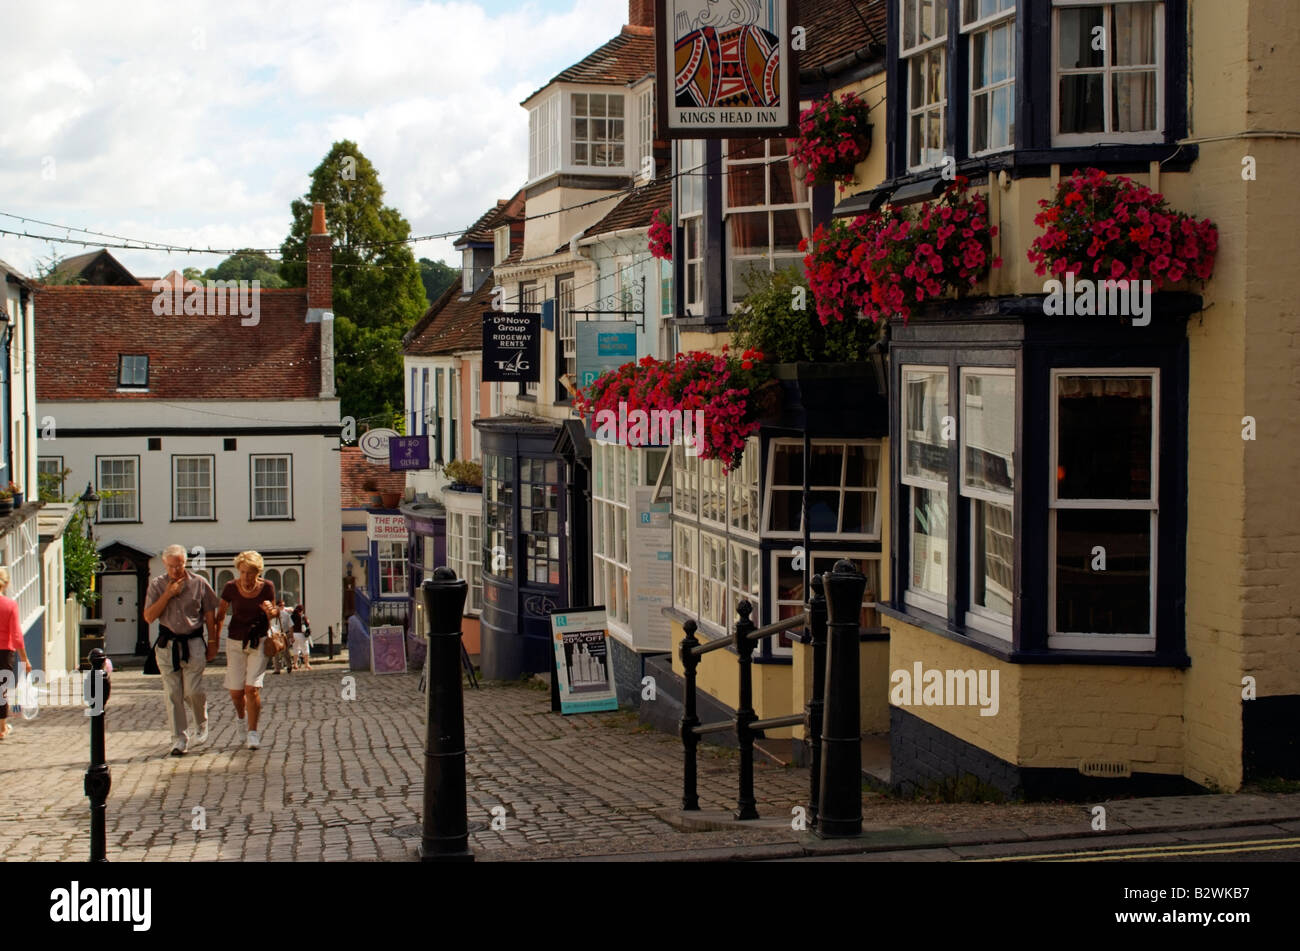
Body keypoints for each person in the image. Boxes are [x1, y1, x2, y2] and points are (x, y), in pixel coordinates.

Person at [142, 545, 220, 756]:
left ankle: (201, 721)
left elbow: (210, 615)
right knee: (173, 694)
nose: (176, 570)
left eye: (180, 565)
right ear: (164, 564)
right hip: (167, 645)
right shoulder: (157, 585)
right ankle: (179, 739)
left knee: (193, 691)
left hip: (193, 642)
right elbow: (149, 617)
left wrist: (213, 642)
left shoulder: (199, 583)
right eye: (171, 566)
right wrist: (167, 595)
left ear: (186, 562)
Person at [214, 551, 278, 750]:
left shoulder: (267, 587)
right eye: (242, 572)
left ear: (258, 572)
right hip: (235, 641)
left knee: (251, 688)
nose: (246, 577)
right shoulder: (230, 588)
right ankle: (240, 719)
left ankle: (252, 732)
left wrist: (271, 611)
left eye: (250, 573)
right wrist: (214, 640)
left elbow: (274, 615)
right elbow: (221, 614)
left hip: (258, 641)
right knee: (236, 692)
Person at [0, 566, 31, 741]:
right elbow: (16, 635)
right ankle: (2, 728)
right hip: (4, 652)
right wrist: (25, 659)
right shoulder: (10, 605)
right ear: (7, 584)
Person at [272, 599, 295, 675]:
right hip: (275, 635)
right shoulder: (272, 614)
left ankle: (289, 665)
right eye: (280, 605)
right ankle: (277, 669)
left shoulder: (286, 614)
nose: (282, 607)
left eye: (283, 605)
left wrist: (292, 636)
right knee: (275, 652)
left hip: (284, 634)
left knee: (286, 652)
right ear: (276, 606)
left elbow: (291, 626)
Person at [291, 604, 312, 670]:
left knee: (295, 649)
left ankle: (295, 664)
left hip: (294, 634)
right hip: (301, 634)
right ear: (302, 610)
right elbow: (307, 623)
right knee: (305, 649)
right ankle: (307, 664)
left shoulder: (292, 616)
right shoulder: (302, 617)